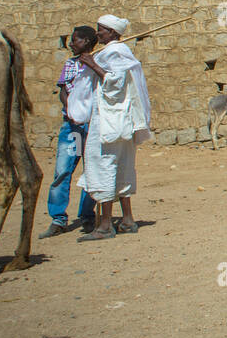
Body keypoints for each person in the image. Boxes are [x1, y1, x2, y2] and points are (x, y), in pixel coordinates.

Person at [76, 15, 152, 241]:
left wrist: (91, 64)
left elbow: (114, 83)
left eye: (101, 30)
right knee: (122, 168)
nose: (97, 33)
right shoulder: (117, 51)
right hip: (121, 121)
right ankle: (127, 220)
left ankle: (105, 225)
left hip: (110, 122)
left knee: (104, 167)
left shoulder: (115, 52)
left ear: (112, 32)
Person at [40, 25, 99, 238]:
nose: (71, 44)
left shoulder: (98, 62)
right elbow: (64, 90)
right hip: (73, 125)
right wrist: (70, 109)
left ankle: (87, 215)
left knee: (91, 170)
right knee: (63, 170)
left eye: (75, 40)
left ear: (87, 42)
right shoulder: (70, 64)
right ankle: (58, 218)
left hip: (93, 126)